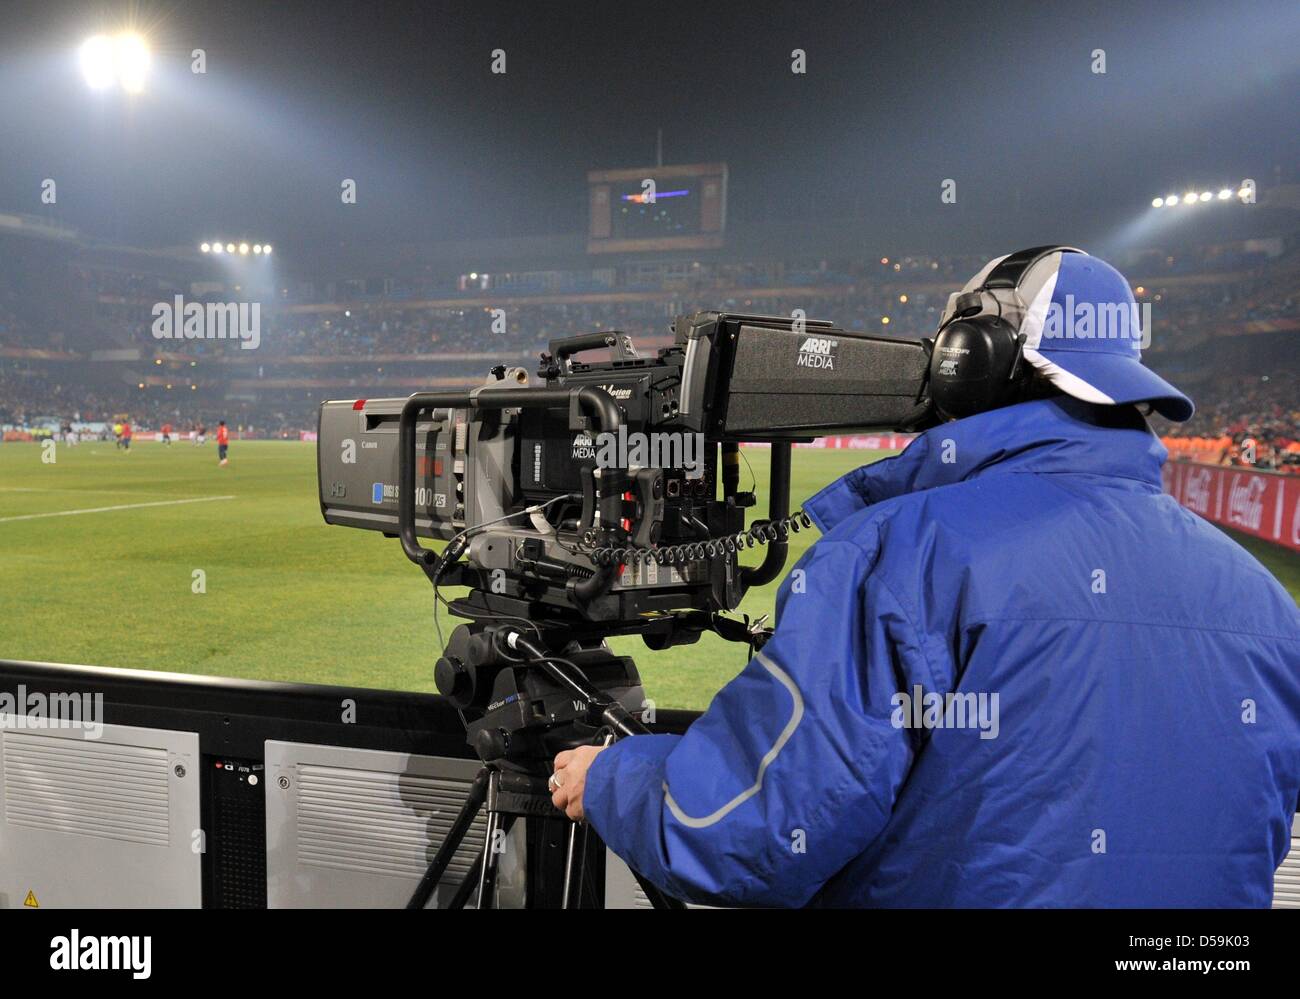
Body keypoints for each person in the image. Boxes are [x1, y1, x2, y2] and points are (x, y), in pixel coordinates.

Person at [550, 247, 1300, 908]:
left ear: (967, 360)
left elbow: (752, 834)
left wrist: (614, 778)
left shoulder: (903, 555)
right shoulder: (1267, 603)